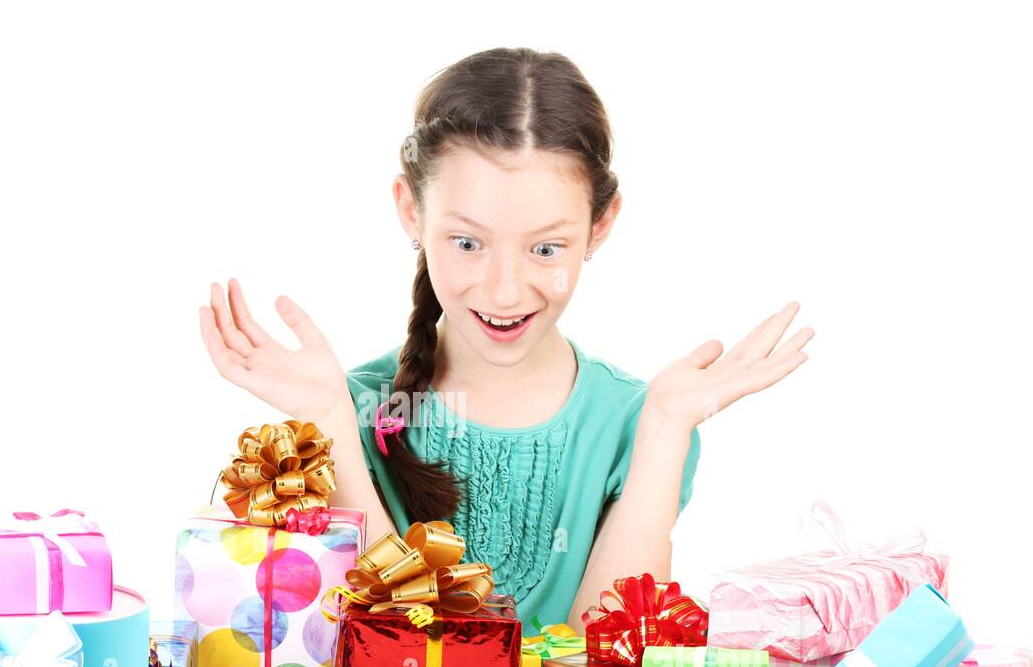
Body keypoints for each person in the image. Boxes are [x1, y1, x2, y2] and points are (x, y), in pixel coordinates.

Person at [200, 47, 813, 634]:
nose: (503, 291)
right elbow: (377, 652)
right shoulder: (352, 407)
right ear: (412, 210)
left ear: (600, 225)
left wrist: (666, 427)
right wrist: (331, 418)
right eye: (467, 242)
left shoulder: (631, 422)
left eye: (546, 248)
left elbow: (605, 666)